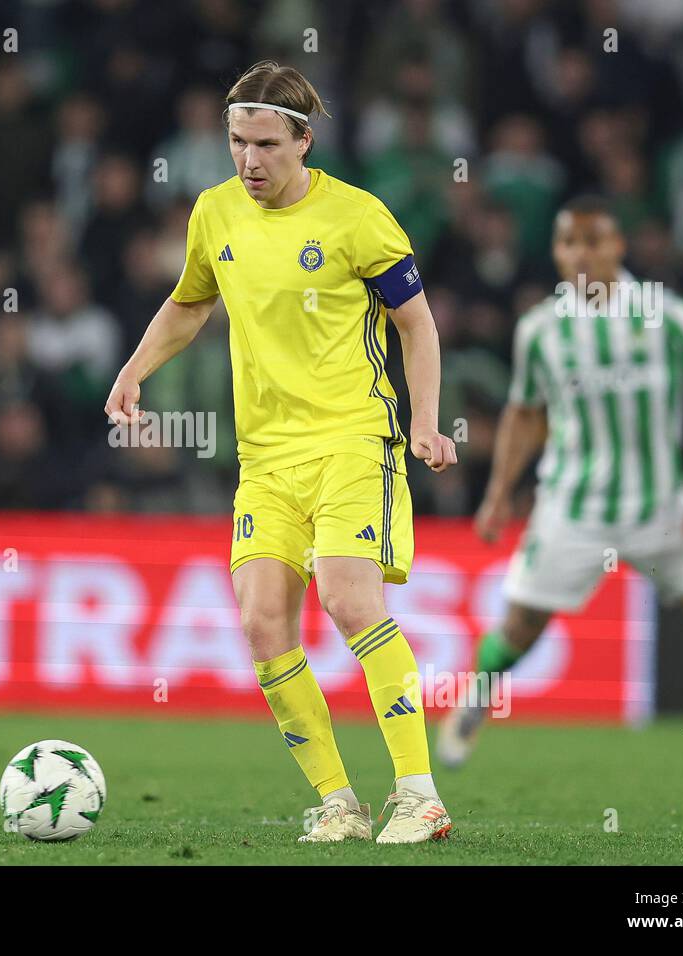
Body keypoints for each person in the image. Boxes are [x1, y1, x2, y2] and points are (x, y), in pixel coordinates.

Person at [106, 61, 459, 845]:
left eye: (265, 143)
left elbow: (417, 324)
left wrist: (428, 423)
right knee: (263, 624)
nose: (248, 161)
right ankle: (338, 801)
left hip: (352, 438)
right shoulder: (215, 212)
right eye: (236, 142)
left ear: (304, 139)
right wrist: (134, 371)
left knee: (347, 598)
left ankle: (419, 794)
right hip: (264, 457)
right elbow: (189, 303)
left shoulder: (359, 217)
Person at [438, 196, 683, 784]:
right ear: (555, 251)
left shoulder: (667, 316)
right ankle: (475, 704)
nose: (580, 254)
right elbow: (525, 414)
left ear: (617, 246)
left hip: (663, 505)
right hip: (574, 508)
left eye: (593, 241)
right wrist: (499, 493)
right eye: (567, 243)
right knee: (521, 628)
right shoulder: (540, 329)